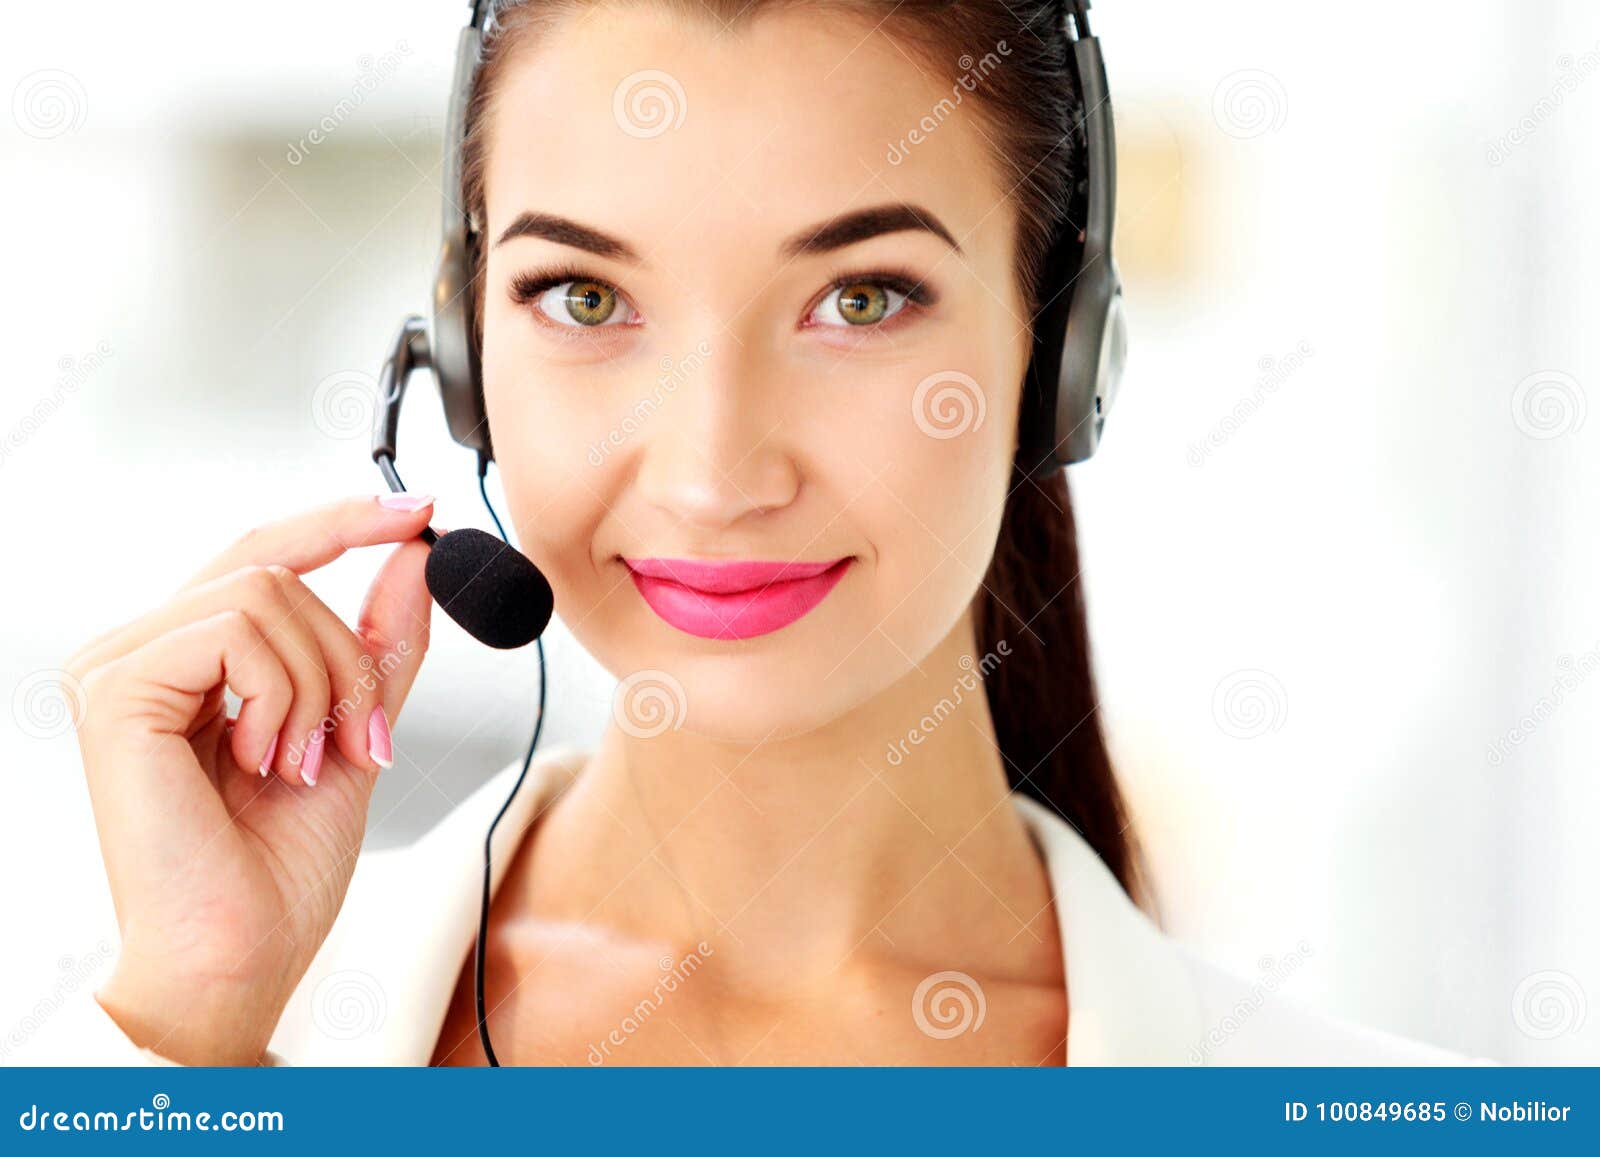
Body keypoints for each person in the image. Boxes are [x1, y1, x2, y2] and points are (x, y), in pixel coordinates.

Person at [43, 0, 1479, 1066]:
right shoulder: (202, 1037)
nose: (717, 473)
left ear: (1058, 354)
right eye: (586, 300)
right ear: (467, 364)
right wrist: (191, 1026)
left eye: (861, 298)